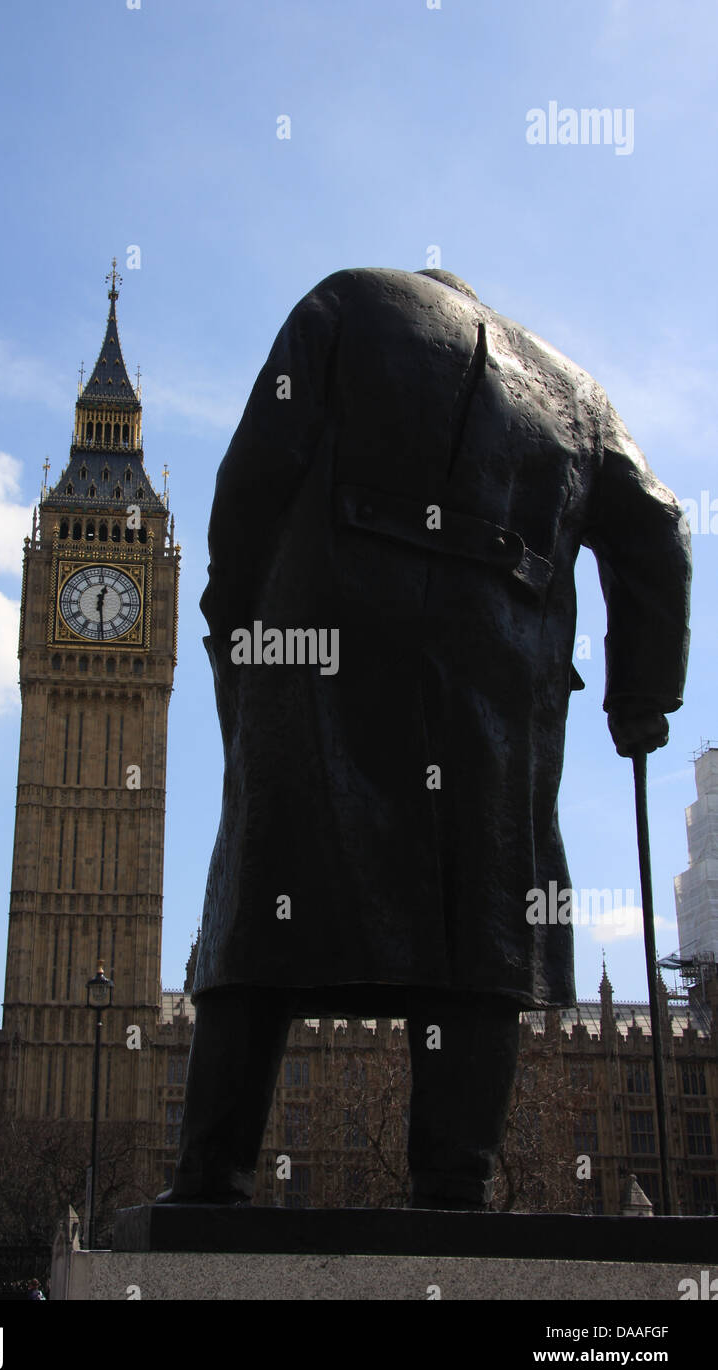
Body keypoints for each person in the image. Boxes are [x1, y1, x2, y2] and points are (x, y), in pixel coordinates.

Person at [161, 266, 692, 1210]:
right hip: (494, 675)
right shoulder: (577, 395)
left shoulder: (349, 302)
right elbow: (658, 528)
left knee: (267, 887)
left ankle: (212, 1179)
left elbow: (252, 472)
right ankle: (455, 1184)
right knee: (484, 913)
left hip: (319, 642)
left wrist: (233, 620)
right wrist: (638, 697)